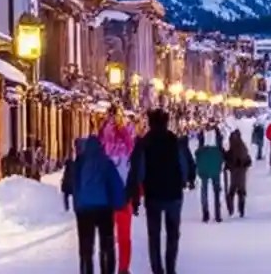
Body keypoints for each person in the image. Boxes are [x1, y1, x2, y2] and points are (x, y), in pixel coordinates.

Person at [131, 109, 192, 274]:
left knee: (154, 235)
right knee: (173, 233)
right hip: (173, 194)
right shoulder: (174, 141)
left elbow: (138, 172)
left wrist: (135, 196)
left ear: (150, 123)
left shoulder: (144, 143)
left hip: (153, 195)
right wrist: (187, 179)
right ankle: (171, 267)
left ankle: (157, 269)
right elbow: (184, 163)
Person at [72, 136, 127, 274]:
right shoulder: (106, 162)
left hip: (84, 210)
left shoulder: (80, 163)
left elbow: (75, 185)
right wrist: (120, 204)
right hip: (104, 208)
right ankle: (107, 270)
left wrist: (77, 206)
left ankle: (86, 270)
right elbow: (116, 185)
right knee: (107, 245)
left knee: (86, 248)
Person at [99, 105, 137, 274]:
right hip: (123, 193)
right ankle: (123, 268)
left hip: (108, 194)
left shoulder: (103, 138)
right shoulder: (128, 139)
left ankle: (109, 267)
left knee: (108, 235)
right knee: (123, 236)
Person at [194, 130, 224, 223]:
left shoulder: (201, 151)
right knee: (216, 192)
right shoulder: (218, 151)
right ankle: (217, 213)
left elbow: (197, 155)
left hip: (204, 172)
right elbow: (222, 155)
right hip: (215, 171)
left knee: (204, 191)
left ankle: (205, 213)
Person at [224, 129, 253, 218]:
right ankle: (240, 209)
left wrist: (228, 164)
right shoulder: (242, 146)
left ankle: (232, 209)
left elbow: (229, 158)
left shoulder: (235, 147)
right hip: (241, 172)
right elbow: (247, 159)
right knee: (240, 190)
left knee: (233, 190)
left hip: (236, 171)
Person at [61, 140, 79, 211]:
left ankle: (67, 207)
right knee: (72, 195)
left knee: (67, 195)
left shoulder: (72, 160)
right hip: (70, 180)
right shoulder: (74, 160)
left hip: (69, 180)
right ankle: (70, 207)